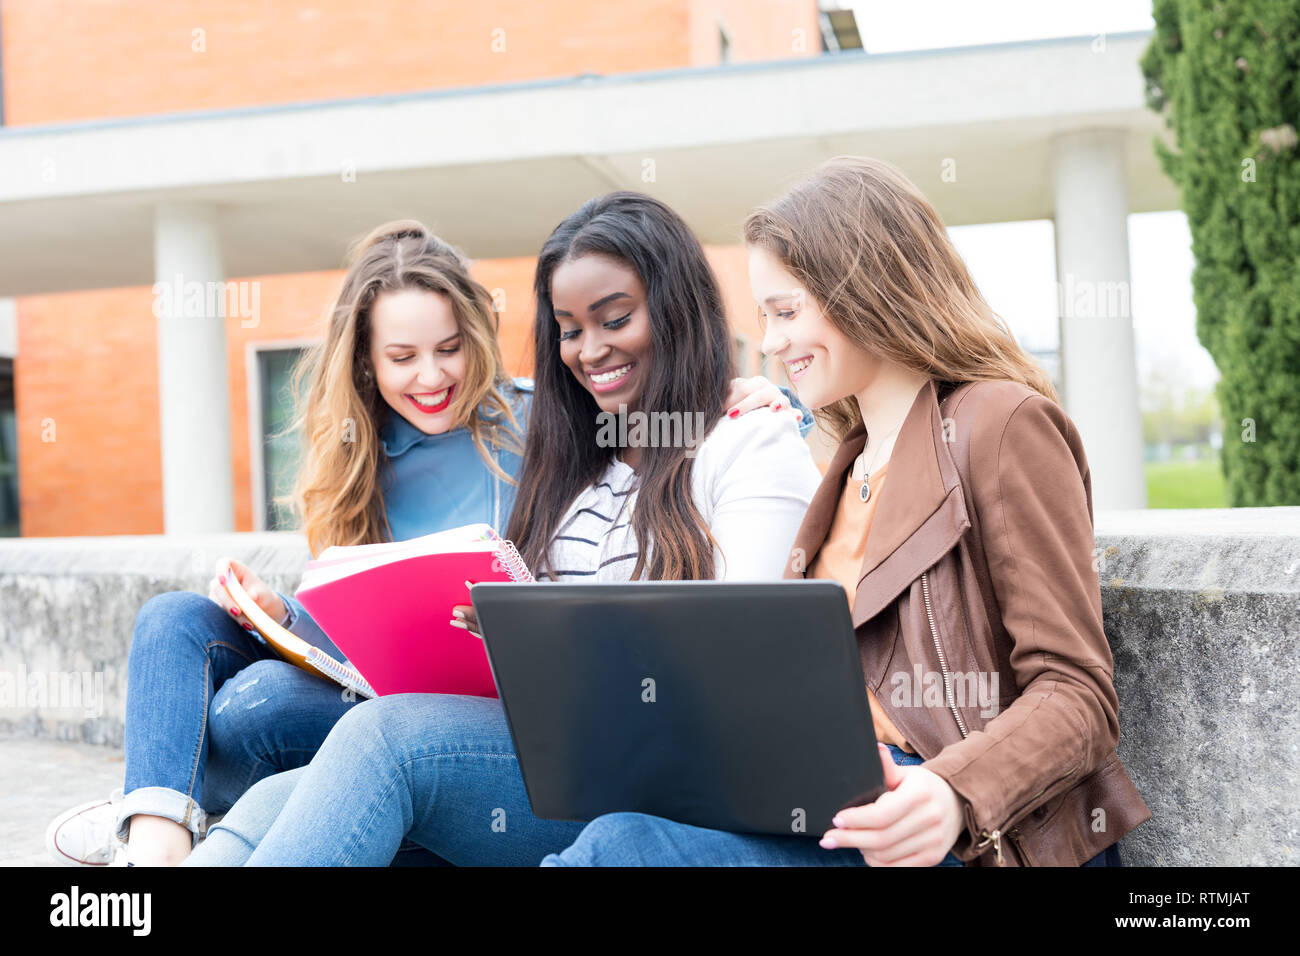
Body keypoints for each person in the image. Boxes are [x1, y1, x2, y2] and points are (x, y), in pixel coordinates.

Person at [46, 215, 812, 867]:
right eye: (571, 332)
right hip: (509, 715)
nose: (590, 354)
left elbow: (727, 655)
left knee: (302, 719)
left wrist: (746, 392)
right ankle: (151, 850)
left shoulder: (592, 432)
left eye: (614, 322)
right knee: (211, 669)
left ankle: (162, 806)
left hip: (582, 741)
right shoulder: (589, 457)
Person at [541, 156, 1154, 866]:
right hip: (827, 801)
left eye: (786, 312)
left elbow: (1078, 694)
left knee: (623, 849)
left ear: (865, 292)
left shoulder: (1002, 423)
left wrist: (953, 792)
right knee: (613, 827)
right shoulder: (846, 460)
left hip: (948, 828)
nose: (770, 342)